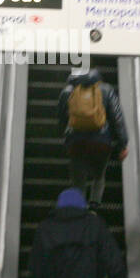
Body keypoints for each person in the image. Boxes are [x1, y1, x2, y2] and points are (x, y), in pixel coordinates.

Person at [57, 65, 129, 207]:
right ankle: (94, 207)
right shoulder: (106, 89)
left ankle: (79, 210)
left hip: (76, 141)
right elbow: (117, 118)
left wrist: (65, 137)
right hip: (101, 141)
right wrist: (123, 144)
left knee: (78, 179)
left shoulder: (67, 91)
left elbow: (62, 119)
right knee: (99, 176)